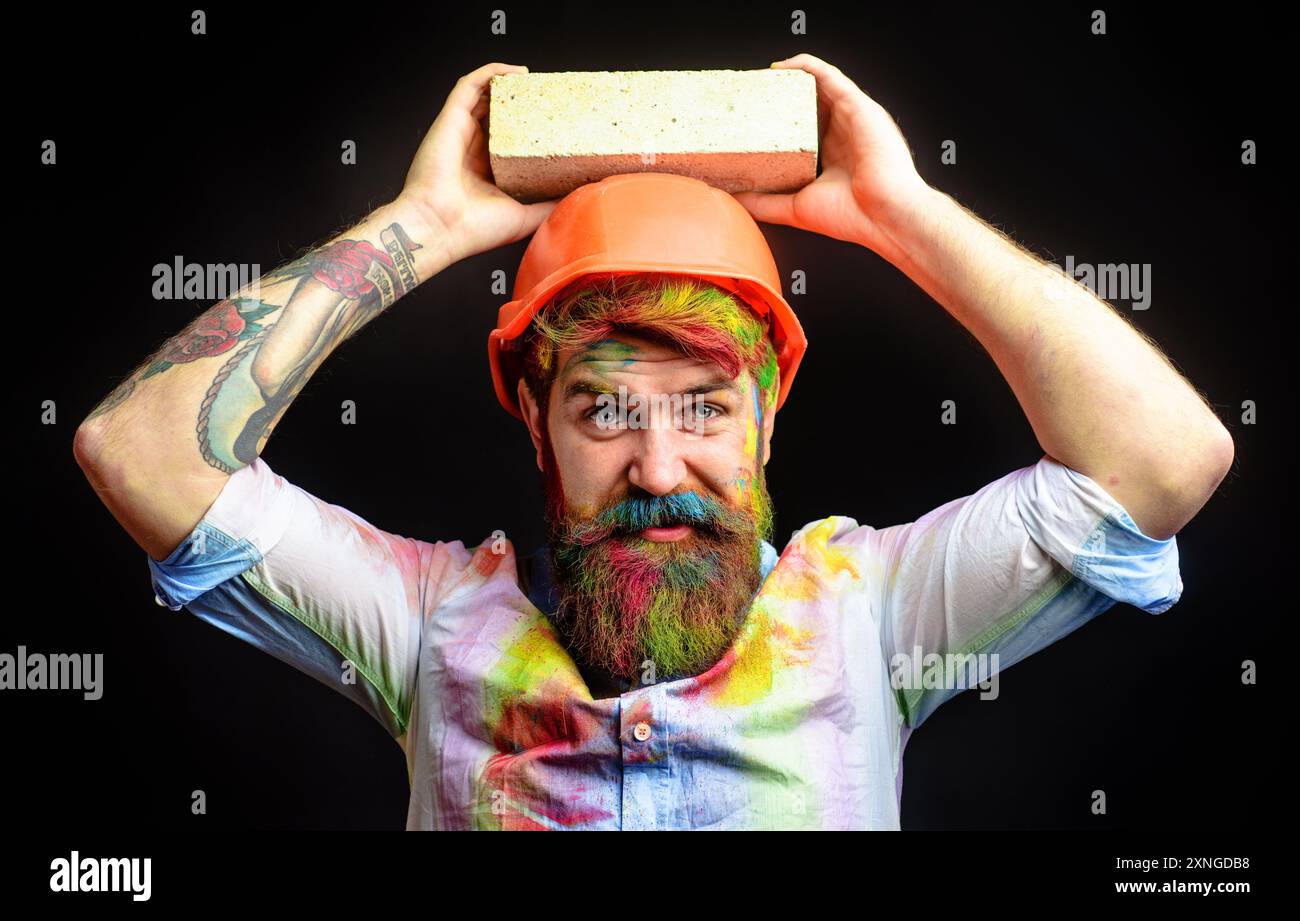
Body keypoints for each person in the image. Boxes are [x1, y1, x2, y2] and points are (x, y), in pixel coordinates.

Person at [73, 55, 1233, 830]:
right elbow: (143, 452)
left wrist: (899, 213)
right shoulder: (427, 631)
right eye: (603, 411)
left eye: (706, 407)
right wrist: (418, 227)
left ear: (767, 416)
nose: (659, 469)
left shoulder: (875, 618)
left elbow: (1162, 460)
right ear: (532, 417)